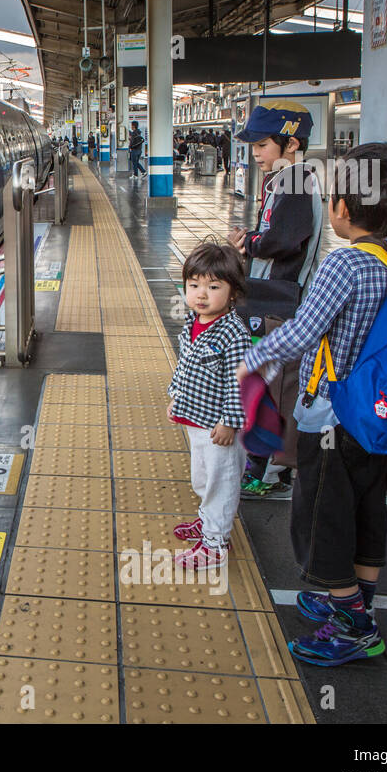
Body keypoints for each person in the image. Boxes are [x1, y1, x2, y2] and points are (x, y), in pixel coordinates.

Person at [237, 141, 387, 666]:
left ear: (343, 208)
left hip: (335, 416)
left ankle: (353, 623)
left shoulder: (344, 265)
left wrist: (252, 361)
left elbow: (301, 332)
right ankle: (358, 596)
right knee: (367, 507)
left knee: (320, 515)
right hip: (381, 415)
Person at [226, 99, 323, 499]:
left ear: (292, 144)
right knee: (264, 384)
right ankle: (260, 466)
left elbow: (283, 241)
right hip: (271, 298)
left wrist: (248, 243)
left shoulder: (297, 181)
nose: (256, 155)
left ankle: (269, 474)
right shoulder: (287, 180)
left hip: (281, 304)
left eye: (262, 145)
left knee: (275, 388)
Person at [167, 241, 251, 570]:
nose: (201, 294)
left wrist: (230, 422)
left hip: (220, 427)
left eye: (213, 286)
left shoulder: (234, 333)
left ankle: (215, 544)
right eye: (194, 285)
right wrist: (176, 395)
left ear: (233, 292)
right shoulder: (194, 322)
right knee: (202, 478)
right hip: (196, 419)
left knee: (222, 482)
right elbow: (185, 366)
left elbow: (240, 382)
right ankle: (206, 523)